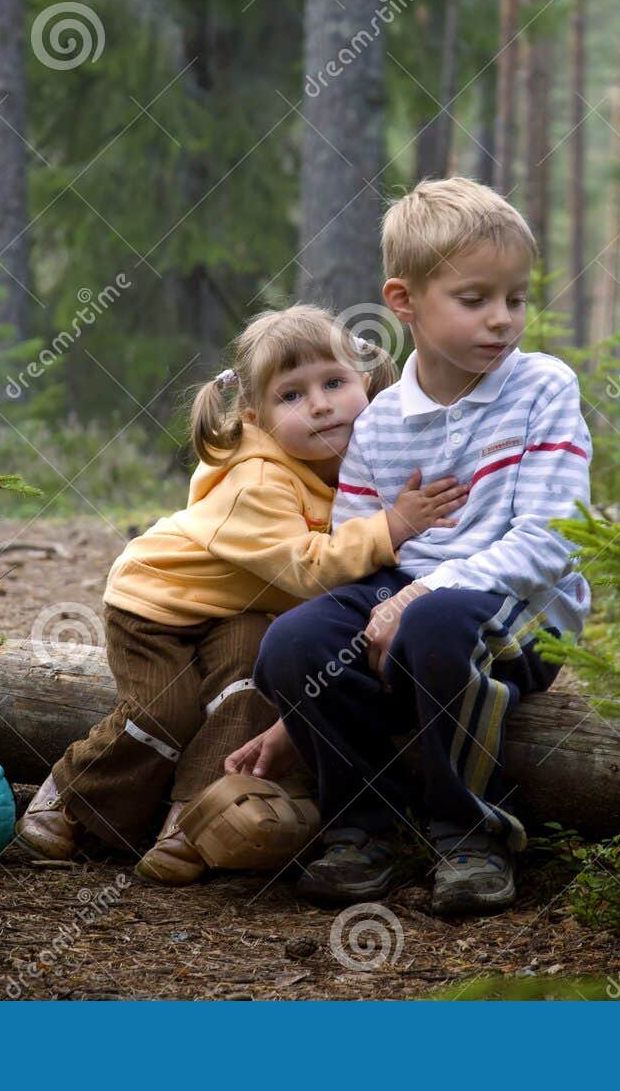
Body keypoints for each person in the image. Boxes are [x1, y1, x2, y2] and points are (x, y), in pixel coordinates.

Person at [232, 177, 592, 916]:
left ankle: (472, 833)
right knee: (294, 640)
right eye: (475, 299)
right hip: (409, 600)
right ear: (404, 301)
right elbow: (360, 555)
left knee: (436, 622)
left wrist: (420, 592)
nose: (503, 320)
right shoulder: (381, 420)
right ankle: (361, 829)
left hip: (524, 607)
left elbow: (552, 537)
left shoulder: (543, 388)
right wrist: (295, 706)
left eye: (515, 299)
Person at [13, 304, 469, 885]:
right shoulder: (256, 480)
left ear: (368, 384)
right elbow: (307, 569)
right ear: (257, 415)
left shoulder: (364, 458)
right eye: (292, 396)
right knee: (165, 710)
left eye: (334, 383)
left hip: (245, 609)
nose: (321, 404)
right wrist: (393, 527)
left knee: (247, 694)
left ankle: (195, 821)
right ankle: (74, 798)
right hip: (159, 604)